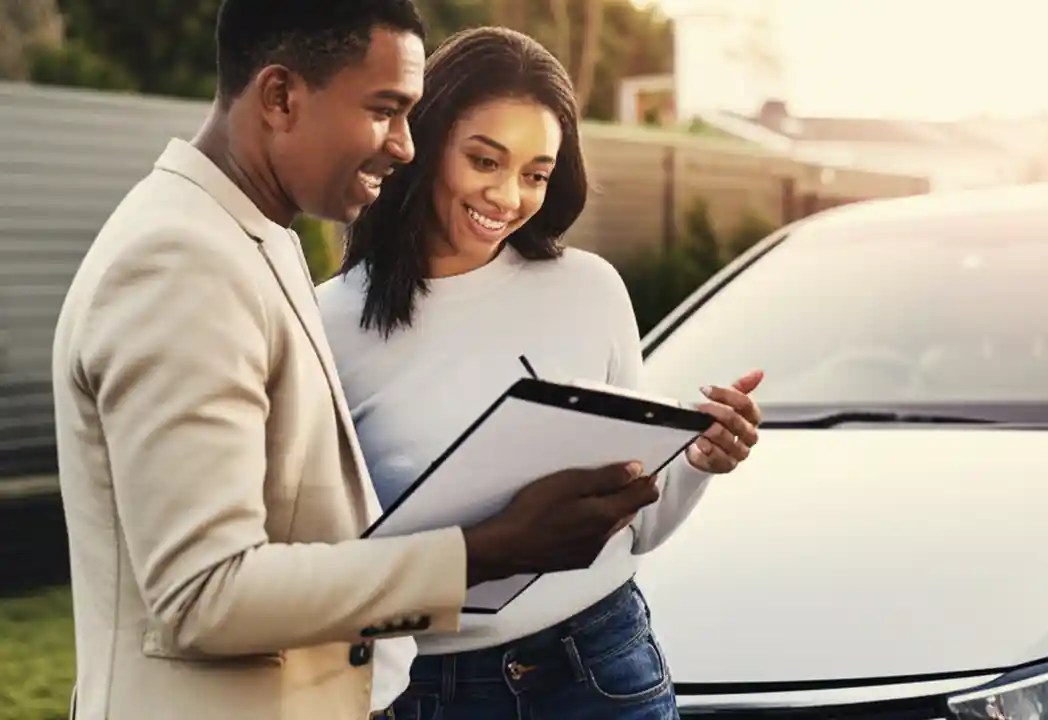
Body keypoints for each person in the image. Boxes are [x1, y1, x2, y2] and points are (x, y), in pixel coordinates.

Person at [50, 4, 664, 719]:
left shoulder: (250, 236)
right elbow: (204, 594)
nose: (406, 146)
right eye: (385, 111)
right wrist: (487, 551)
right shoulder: (181, 261)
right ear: (280, 96)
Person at [317, 26, 764, 720]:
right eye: (485, 161)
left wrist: (700, 461)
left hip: (601, 663)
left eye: (536, 173)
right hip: (429, 690)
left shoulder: (587, 288)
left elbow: (636, 526)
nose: (507, 197)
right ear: (427, 146)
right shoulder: (330, 324)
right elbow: (324, 562)